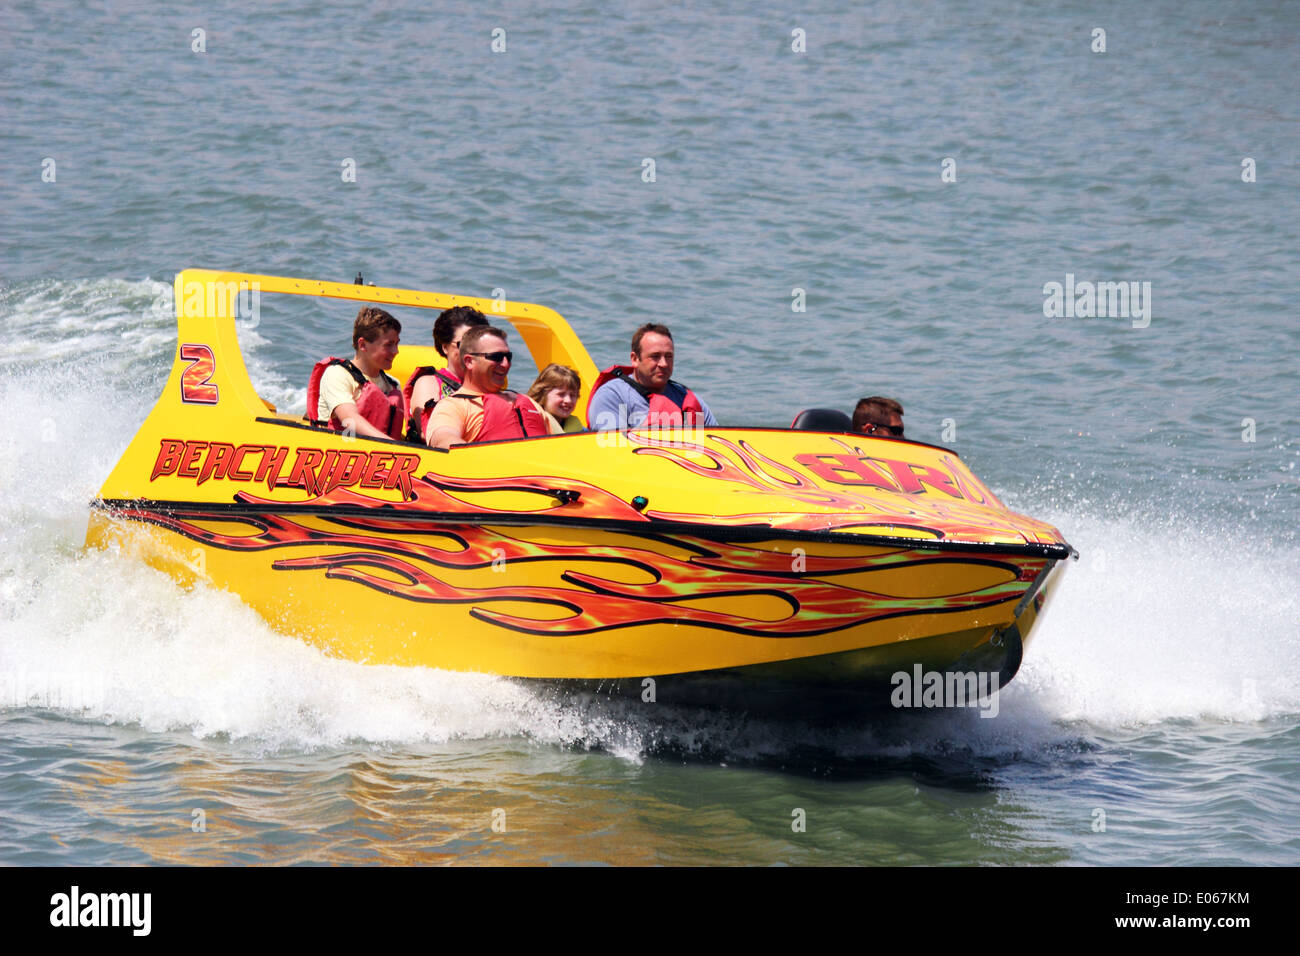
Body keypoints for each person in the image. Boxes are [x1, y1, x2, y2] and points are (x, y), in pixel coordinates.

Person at [425, 326, 558, 448]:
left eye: (508, 356)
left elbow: (559, 445)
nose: (506, 364)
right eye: (497, 357)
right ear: (469, 361)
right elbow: (443, 438)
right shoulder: (454, 406)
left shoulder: (528, 403)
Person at [585, 323, 718, 431]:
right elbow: (611, 448)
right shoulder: (612, 395)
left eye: (669, 356)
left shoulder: (688, 399)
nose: (663, 364)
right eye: (655, 356)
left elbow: (718, 444)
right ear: (635, 359)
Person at [306, 306, 407, 440]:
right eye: (389, 345)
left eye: (396, 344)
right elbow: (349, 418)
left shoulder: (393, 385)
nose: (396, 351)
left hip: (383, 457)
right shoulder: (337, 375)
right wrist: (393, 446)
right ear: (363, 345)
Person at [403, 305, 489, 443]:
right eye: (464, 344)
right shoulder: (428, 383)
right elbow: (429, 432)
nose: (472, 350)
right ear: (445, 347)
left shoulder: (489, 387)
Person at [527, 364, 585, 433]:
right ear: (543, 394)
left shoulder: (580, 429)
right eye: (561, 394)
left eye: (573, 395)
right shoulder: (529, 425)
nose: (568, 400)